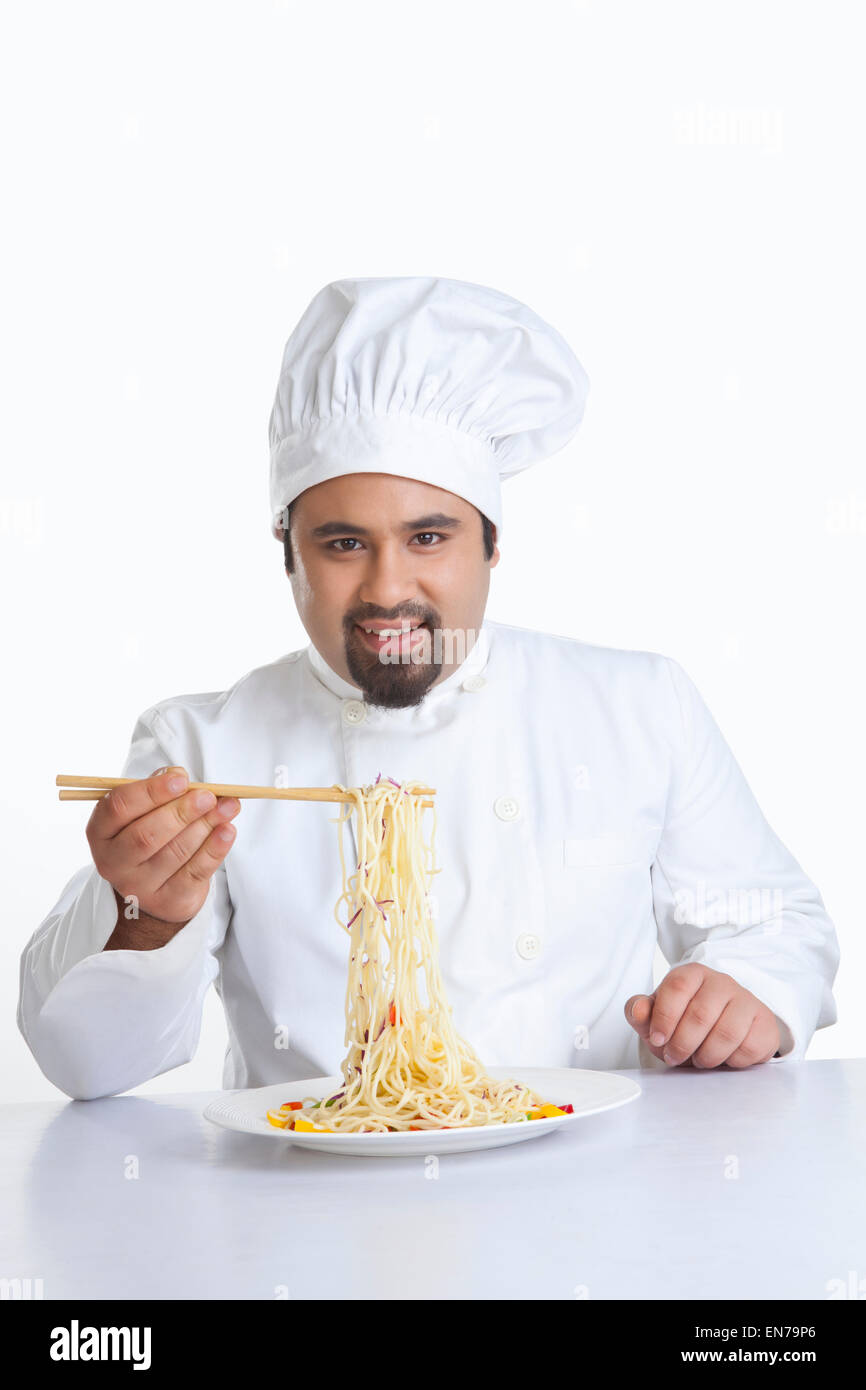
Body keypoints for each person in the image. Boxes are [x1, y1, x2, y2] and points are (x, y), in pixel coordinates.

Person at [18, 276, 839, 1101]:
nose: (386, 589)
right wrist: (146, 914)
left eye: (428, 537)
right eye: (343, 543)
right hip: (311, 1197)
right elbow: (88, 1067)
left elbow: (773, 925)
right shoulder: (202, 750)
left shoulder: (636, 705)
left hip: (591, 1192)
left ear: (491, 544)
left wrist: (747, 997)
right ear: (287, 551)